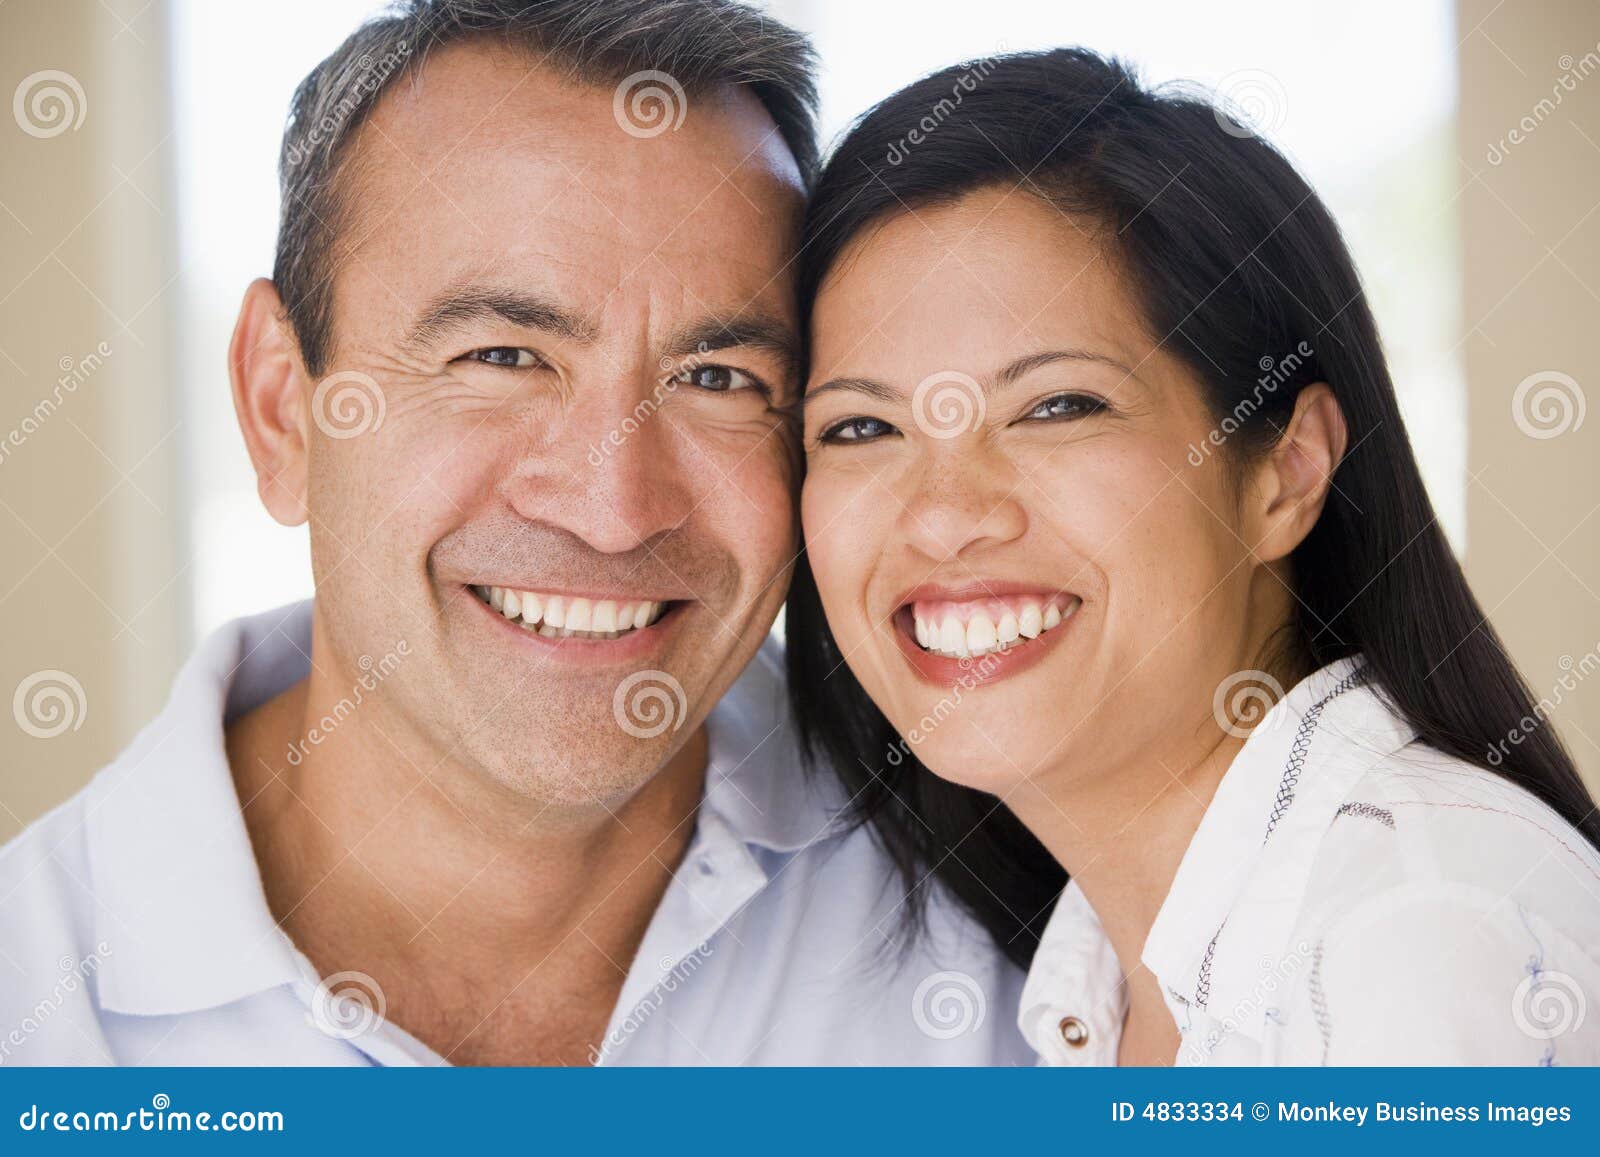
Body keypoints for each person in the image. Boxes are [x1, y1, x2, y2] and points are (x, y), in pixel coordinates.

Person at [0, 0, 1031, 1067]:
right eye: (501, 357)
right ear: (280, 408)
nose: (611, 506)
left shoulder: (1022, 900)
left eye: (716, 378)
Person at [786, 47, 1600, 1066]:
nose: (944, 517)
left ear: (1285, 472)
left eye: (1057, 405)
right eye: (861, 427)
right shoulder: (1091, 979)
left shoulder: (1418, 938)